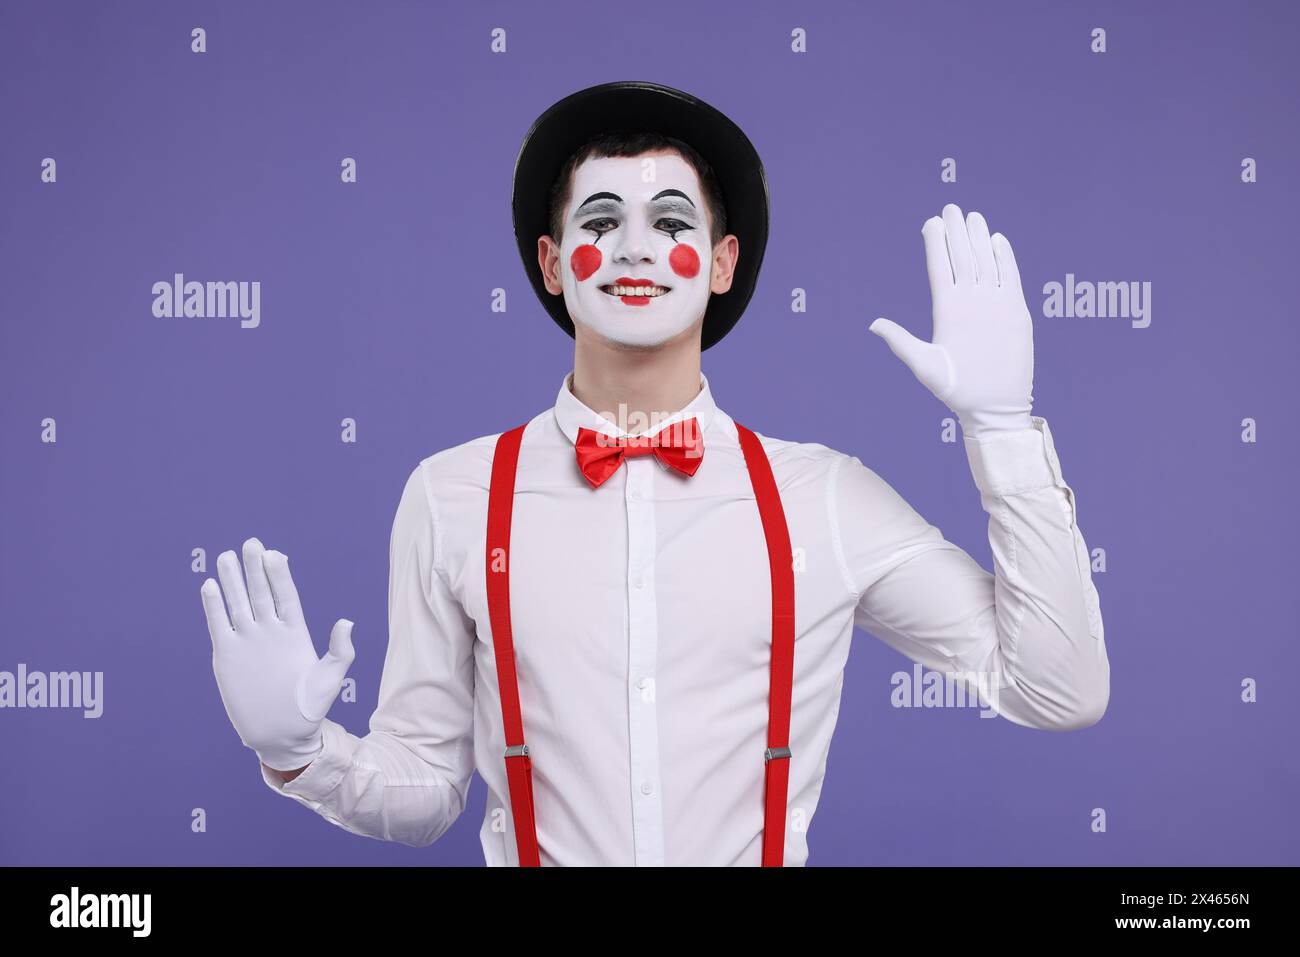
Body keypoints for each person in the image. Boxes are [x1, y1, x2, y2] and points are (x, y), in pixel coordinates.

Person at [200, 81, 1109, 867]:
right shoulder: (449, 495)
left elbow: (1056, 688)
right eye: (601, 222)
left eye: (670, 221)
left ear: (721, 263)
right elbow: (429, 789)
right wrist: (299, 751)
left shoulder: (823, 497)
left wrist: (1001, 428)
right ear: (555, 265)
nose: (635, 248)